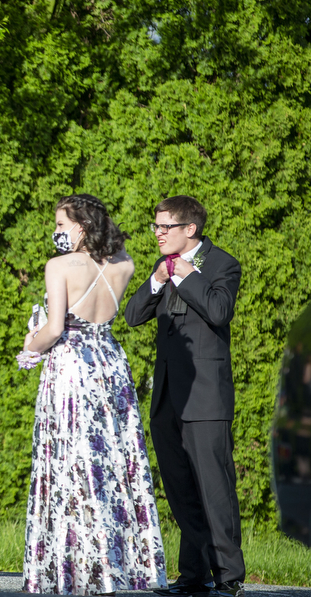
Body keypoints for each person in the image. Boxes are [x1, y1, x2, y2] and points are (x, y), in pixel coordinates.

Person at [18, 194, 167, 595]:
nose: (56, 231)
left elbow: (54, 329)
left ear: (80, 227)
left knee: (73, 462)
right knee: (114, 461)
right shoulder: (125, 263)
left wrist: (30, 346)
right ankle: (117, 564)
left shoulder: (59, 266)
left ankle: (78, 568)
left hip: (71, 366)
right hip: (110, 363)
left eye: (61, 224)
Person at [124, 196, 244, 597]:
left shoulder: (222, 264)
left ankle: (229, 576)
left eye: (166, 227)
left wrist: (188, 275)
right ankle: (193, 576)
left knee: (214, 488)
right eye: (156, 226)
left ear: (189, 229)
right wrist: (158, 279)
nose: (158, 233)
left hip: (206, 397)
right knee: (180, 489)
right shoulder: (162, 265)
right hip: (167, 398)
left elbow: (219, 311)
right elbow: (132, 315)